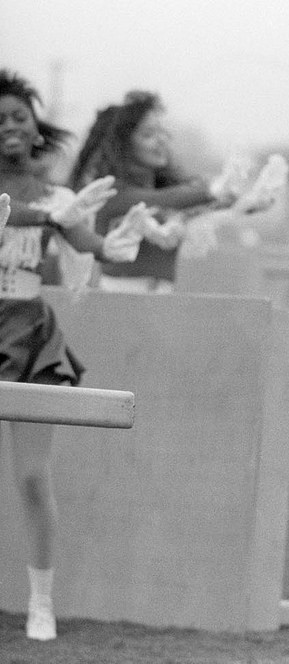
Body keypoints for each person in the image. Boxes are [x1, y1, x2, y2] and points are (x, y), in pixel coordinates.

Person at [0, 69, 142, 641]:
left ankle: (41, 601)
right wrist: (50, 217)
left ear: (35, 126)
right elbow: (22, 217)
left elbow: (90, 243)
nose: (9, 126)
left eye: (17, 115)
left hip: (31, 334)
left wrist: (119, 241)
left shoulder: (58, 197)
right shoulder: (41, 207)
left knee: (33, 477)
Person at [69, 90, 274, 293]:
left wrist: (252, 200)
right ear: (122, 145)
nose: (161, 141)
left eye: (162, 133)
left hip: (163, 304)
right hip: (117, 302)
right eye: (148, 134)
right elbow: (163, 200)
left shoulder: (171, 191)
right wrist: (216, 189)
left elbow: (207, 202)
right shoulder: (111, 191)